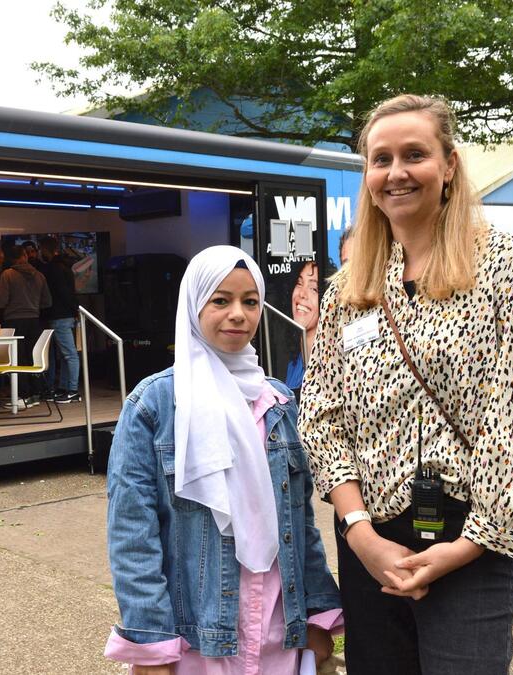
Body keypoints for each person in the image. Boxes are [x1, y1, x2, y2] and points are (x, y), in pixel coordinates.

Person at [298, 94, 513, 674]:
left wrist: (467, 546)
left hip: (470, 540)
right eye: (381, 159)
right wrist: (360, 535)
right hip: (370, 542)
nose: (396, 172)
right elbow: (321, 414)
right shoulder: (351, 286)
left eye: (414, 155)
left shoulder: (506, 268)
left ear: (449, 165)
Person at [105, 245, 342, 674]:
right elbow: (133, 536)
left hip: (277, 636)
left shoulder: (278, 402)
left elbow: (300, 523)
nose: (238, 314)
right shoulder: (154, 405)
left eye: (250, 301)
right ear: (194, 304)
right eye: (220, 300)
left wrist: (316, 616)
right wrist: (151, 646)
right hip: (198, 644)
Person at [0, 244, 51, 399]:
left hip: (13, 321)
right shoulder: (39, 275)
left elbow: (1, 302)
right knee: (34, 356)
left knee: (17, 357)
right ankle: (37, 391)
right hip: (34, 320)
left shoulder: (7, 275)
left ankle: (23, 393)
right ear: (25, 255)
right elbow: (47, 301)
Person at [34, 236, 82, 403]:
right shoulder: (65, 267)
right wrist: (74, 309)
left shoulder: (52, 269)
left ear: (44, 249)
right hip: (65, 315)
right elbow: (69, 293)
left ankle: (72, 390)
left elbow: (60, 293)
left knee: (69, 355)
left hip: (58, 315)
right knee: (66, 355)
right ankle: (65, 388)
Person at [284, 260, 320, 390]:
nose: (302, 294)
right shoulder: (294, 363)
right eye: (299, 283)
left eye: (314, 289)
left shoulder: (331, 365)